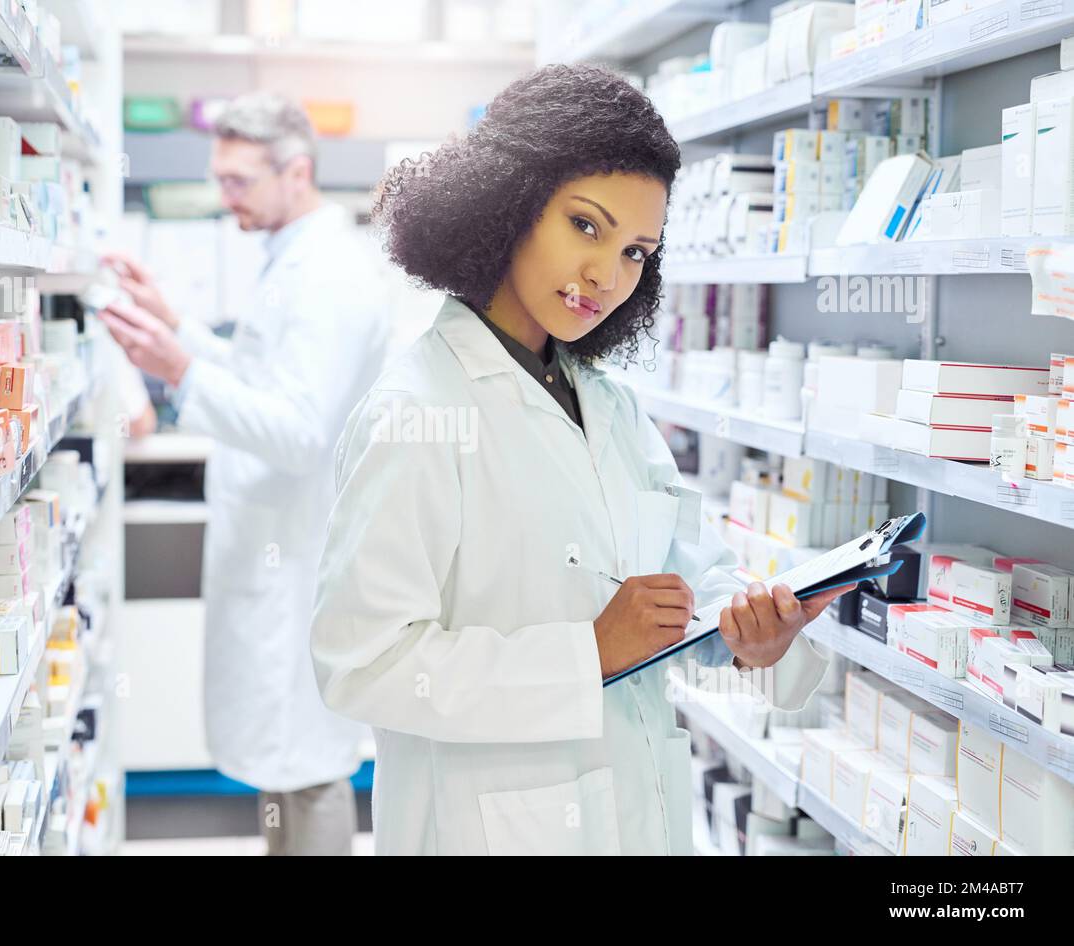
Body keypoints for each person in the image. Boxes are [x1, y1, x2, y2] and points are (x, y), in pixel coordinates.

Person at [310, 65, 851, 856]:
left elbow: (687, 570)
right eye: (586, 226)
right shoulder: (417, 412)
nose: (608, 275)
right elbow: (363, 663)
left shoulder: (609, 404)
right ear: (507, 201)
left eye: (637, 250)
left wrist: (752, 633)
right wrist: (586, 652)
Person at [100, 92, 389, 856]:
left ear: (296, 171)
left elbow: (296, 432)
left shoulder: (327, 274)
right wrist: (177, 328)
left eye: (238, 181)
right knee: (284, 760)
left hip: (298, 558)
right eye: (219, 178)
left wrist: (180, 371)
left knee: (309, 763)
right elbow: (262, 376)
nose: (224, 196)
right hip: (276, 548)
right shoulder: (294, 261)